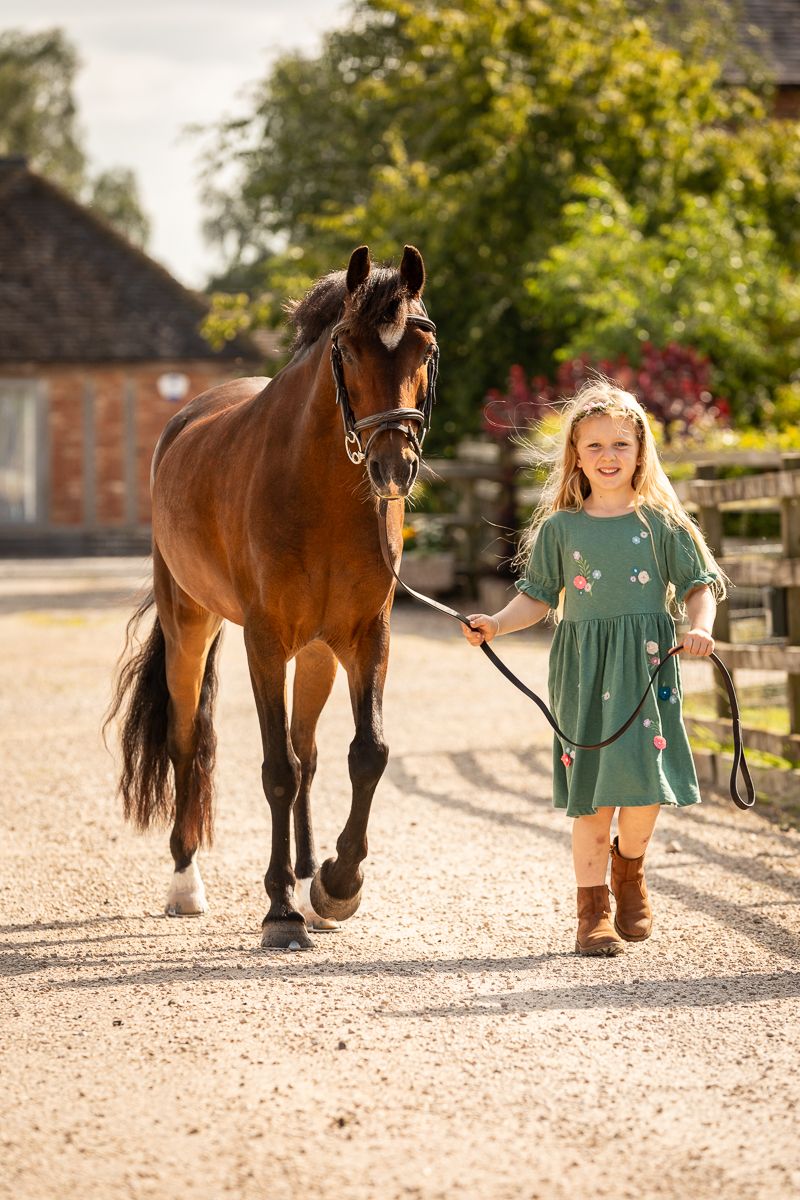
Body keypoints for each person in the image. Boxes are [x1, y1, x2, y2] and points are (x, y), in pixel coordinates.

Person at [462, 379, 725, 956]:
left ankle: (629, 869)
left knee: (645, 792)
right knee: (592, 797)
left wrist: (699, 627)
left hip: (649, 671)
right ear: (576, 456)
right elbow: (536, 596)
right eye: (595, 447)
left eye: (620, 445)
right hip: (584, 674)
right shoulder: (561, 530)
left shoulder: (662, 525)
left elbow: (700, 586)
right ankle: (593, 914)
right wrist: (497, 625)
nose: (609, 457)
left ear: (641, 451)